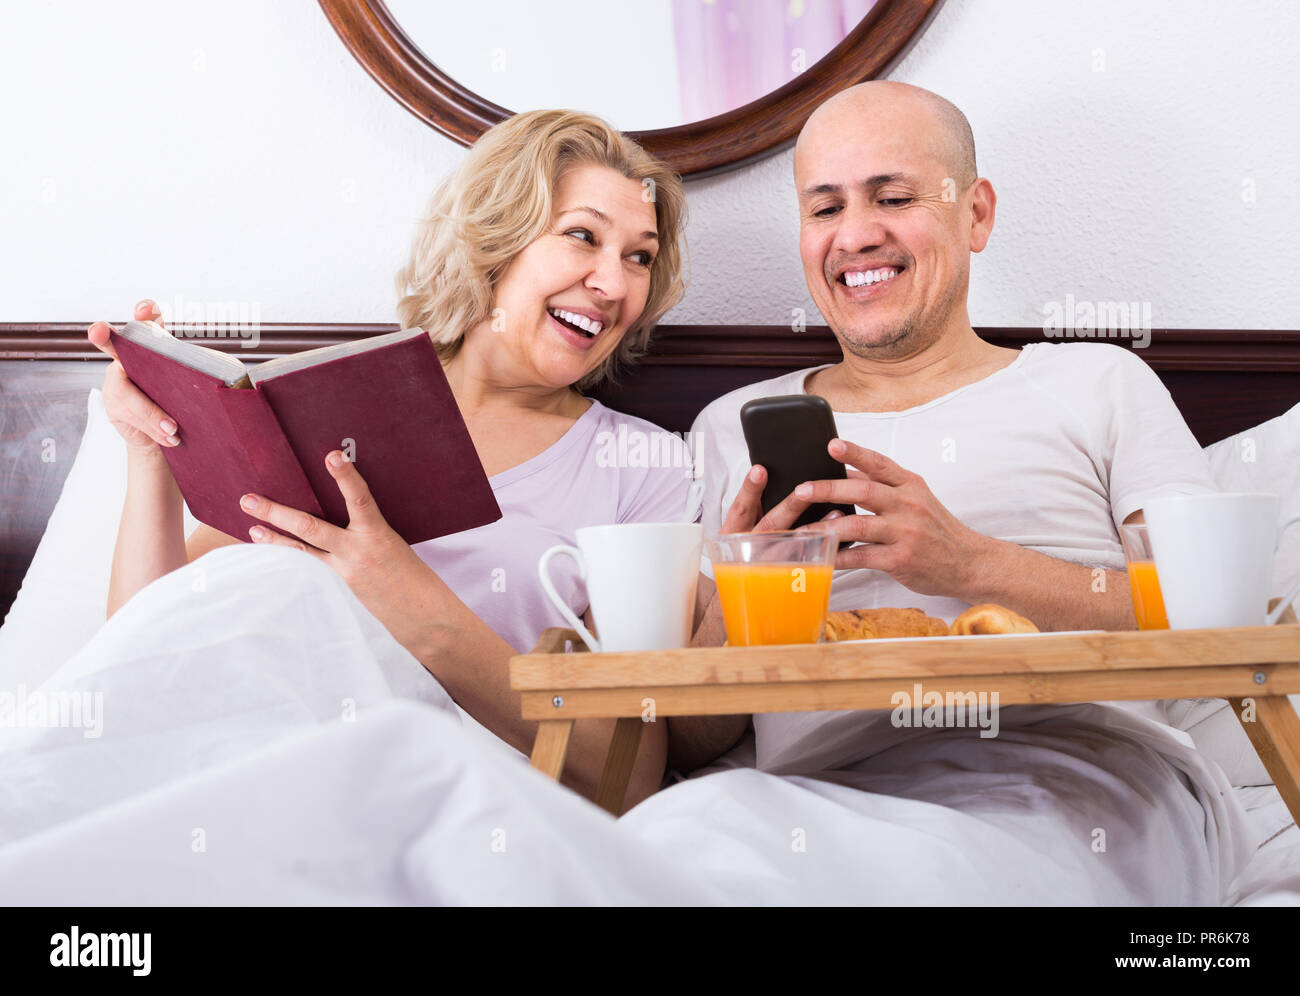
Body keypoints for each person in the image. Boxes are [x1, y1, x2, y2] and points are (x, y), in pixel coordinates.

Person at [654, 81, 1255, 902]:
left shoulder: (1098, 382)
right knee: (654, 845)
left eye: (893, 197)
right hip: (807, 799)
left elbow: (1217, 629)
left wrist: (973, 566)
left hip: (1072, 784)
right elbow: (688, 742)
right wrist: (737, 610)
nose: (855, 235)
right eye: (823, 209)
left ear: (975, 215)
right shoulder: (733, 430)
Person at [85, 109, 692, 810]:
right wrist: (155, 449)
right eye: (582, 236)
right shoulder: (322, 405)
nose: (614, 286)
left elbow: (631, 773)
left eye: (639, 257)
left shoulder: (641, 467)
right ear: (496, 239)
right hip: (236, 764)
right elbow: (132, 666)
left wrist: (411, 602)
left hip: (431, 800)